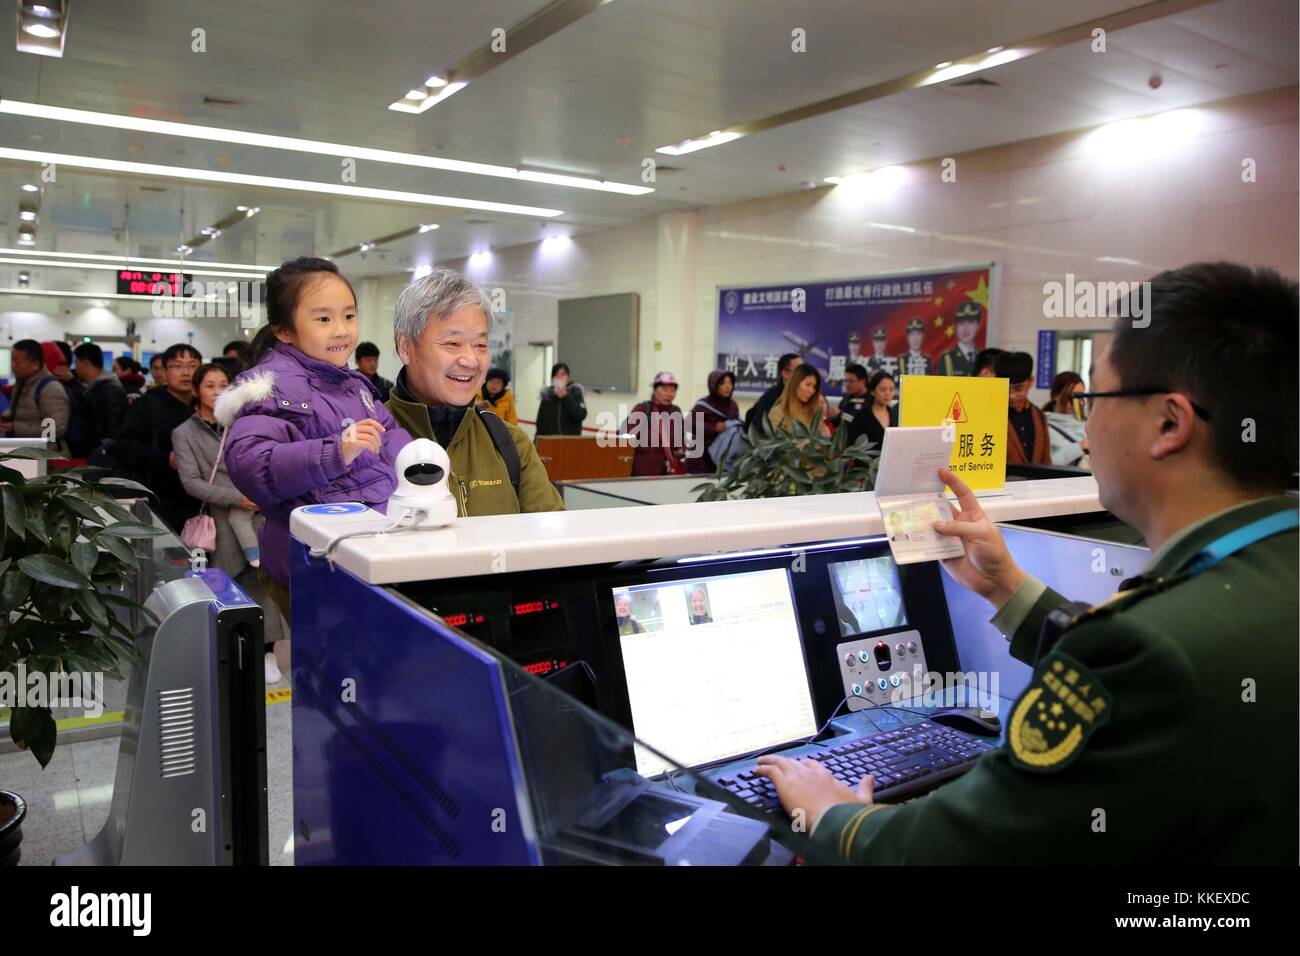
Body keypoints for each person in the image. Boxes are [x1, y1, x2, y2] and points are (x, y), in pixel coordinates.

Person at [756, 261, 1299, 864]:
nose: (1086, 429)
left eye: (1097, 396)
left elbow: (952, 851)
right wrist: (1007, 588)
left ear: (1169, 423)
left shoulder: (1150, 651)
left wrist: (832, 814)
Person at [220, 257, 411, 621]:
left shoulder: (352, 384)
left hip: (365, 551)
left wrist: (419, 461)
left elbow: (389, 437)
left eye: (349, 316)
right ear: (284, 329)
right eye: (323, 319)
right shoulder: (272, 384)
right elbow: (251, 464)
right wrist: (335, 451)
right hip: (315, 561)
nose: (341, 330)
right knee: (334, 673)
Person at [384, 268, 563, 516]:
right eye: (452, 343)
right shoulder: (369, 442)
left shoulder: (509, 443)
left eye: (480, 345)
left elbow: (552, 542)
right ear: (405, 348)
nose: (470, 360)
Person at [172, 363, 288, 684]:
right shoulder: (184, 433)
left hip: (260, 511)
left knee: (266, 586)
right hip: (221, 519)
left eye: (224, 384)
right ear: (197, 391)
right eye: (210, 385)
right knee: (232, 586)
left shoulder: (245, 422)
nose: (218, 391)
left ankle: (267, 652)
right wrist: (238, 499)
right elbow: (192, 482)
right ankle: (232, 650)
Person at [113, 343, 203, 532]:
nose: (186, 373)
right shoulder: (147, 406)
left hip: (202, 504)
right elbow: (123, 449)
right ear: (164, 370)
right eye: (177, 366)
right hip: (160, 500)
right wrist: (166, 459)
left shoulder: (208, 407)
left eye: (192, 366)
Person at [0, 339, 71, 448]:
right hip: (23, 452)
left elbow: (56, 429)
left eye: (17, 362)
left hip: (43, 457)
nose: (13, 366)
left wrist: (15, 427)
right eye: (12, 361)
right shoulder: (22, 382)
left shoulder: (50, 389)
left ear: (35, 365)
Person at [622, 371, 688, 477]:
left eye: (672, 390)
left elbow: (680, 438)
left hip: (667, 470)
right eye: (665, 390)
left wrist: (681, 449)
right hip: (644, 470)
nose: (669, 394)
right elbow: (629, 436)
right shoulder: (643, 409)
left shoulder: (676, 411)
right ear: (655, 390)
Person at [72, 342, 128, 459]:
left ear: (85, 363)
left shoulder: (110, 389)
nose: (75, 367)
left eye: (76, 362)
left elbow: (113, 428)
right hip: (94, 451)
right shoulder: (96, 387)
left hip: (101, 455)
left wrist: (104, 453)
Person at [998, 351, 1051, 465]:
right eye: (1006, 389)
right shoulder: (992, 415)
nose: (1011, 396)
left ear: (1031, 382)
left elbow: (1046, 458)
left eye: (1018, 389)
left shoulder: (1039, 415)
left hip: (1035, 481)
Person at [686, 369, 741, 475]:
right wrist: (713, 427)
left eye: (730, 383)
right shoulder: (703, 405)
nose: (727, 386)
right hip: (700, 462)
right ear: (713, 385)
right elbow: (689, 424)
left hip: (722, 462)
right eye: (722, 383)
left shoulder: (733, 405)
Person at [768, 363, 831, 437]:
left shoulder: (814, 413)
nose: (811, 391)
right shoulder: (777, 413)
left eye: (814, 387)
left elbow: (824, 441)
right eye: (808, 385)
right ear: (795, 383)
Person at [1042, 371, 1089, 467]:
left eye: (1079, 396)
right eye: (1069, 397)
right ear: (1055, 395)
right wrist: (1079, 447)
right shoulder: (1043, 426)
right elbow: (1044, 463)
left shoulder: (1088, 425)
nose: (1075, 402)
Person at [744, 352, 799, 433]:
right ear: (785, 373)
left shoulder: (804, 395)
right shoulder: (771, 397)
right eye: (799, 370)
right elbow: (759, 426)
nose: (803, 374)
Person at [846, 371, 898, 449]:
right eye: (883, 389)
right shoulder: (861, 417)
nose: (887, 393)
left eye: (891, 389)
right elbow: (852, 446)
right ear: (873, 391)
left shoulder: (895, 415)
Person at [534, 362, 587, 436]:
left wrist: (565, 397)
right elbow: (540, 423)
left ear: (568, 377)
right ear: (552, 378)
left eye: (562, 375)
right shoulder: (548, 396)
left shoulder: (575, 392)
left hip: (571, 442)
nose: (559, 378)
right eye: (556, 375)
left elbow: (580, 415)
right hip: (550, 442)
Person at [939, 302, 983, 376]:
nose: (966, 328)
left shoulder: (982, 357)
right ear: (956, 327)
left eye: (971, 322)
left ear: (978, 325)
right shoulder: (948, 358)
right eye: (961, 323)